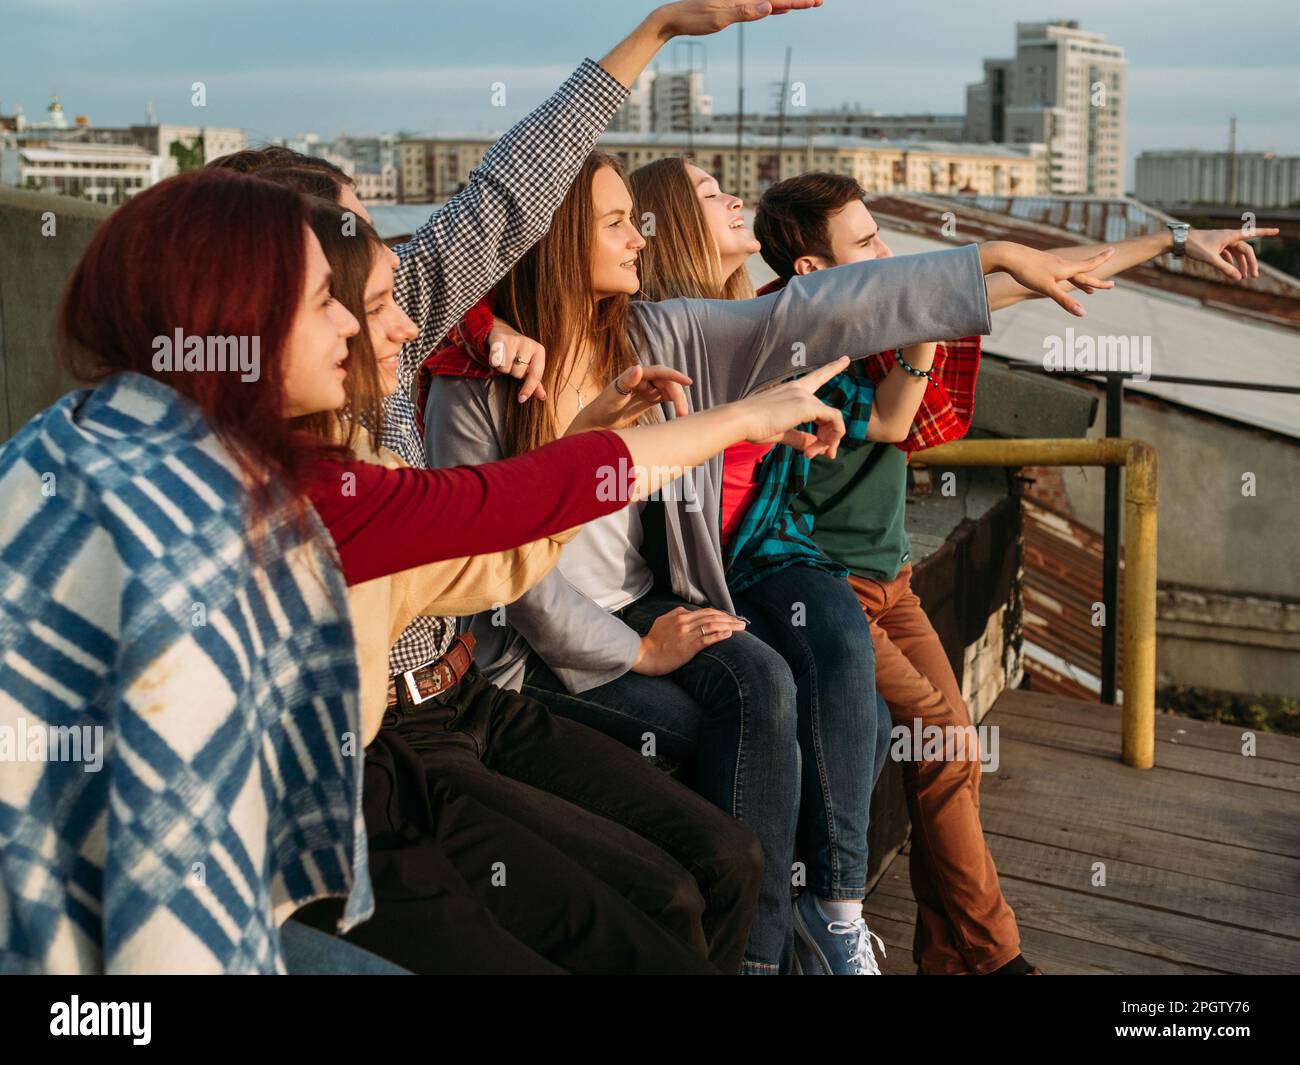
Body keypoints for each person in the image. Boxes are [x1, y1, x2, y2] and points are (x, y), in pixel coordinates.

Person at [423, 150, 1117, 973]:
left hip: (638, 601)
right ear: (554, 238)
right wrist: (635, 651)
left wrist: (991, 262)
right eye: (615, 224)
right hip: (533, 650)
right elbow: (500, 564)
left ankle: (800, 931)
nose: (637, 238)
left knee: (767, 681)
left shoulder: (652, 329)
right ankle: (766, 956)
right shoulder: (477, 382)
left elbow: (815, 307)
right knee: (737, 730)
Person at [745, 170, 1278, 975]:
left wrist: (1177, 241)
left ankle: (955, 957)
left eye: (881, 235)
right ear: (813, 271)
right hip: (822, 587)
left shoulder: (886, 309)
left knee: (950, 748)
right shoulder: (786, 342)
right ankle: (992, 958)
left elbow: (1055, 269)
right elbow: (893, 416)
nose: (887, 253)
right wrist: (927, 308)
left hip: (894, 581)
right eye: (866, 243)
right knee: (948, 737)